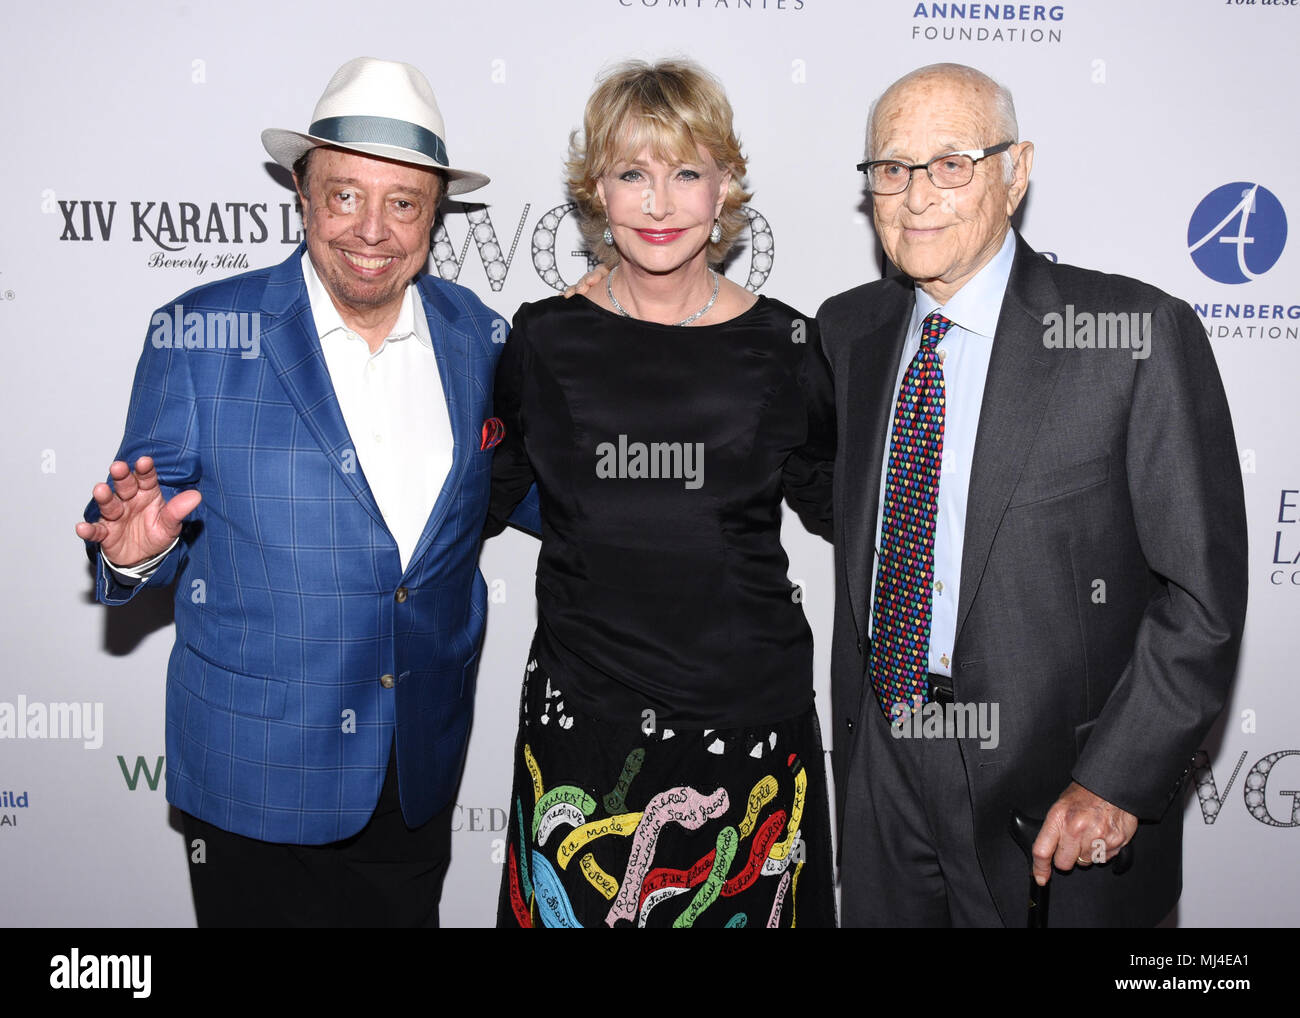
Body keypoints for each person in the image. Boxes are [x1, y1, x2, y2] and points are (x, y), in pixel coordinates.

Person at [76, 57, 531, 927]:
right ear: (301, 191)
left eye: (403, 202)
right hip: (256, 772)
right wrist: (141, 556)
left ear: (435, 212)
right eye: (345, 195)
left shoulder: (482, 338)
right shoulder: (202, 334)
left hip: (413, 771)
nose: (373, 230)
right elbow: (137, 522)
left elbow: (542, 492)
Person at [817, 62, 1248, 926]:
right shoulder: (847, 332)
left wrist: (1112, 781)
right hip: (883, 769)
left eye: (952, 163)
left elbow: (1201, 598)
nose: (915, 195)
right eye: (890, 169)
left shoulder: (1130, 336)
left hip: (1050, 792)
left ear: (1016, 172)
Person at [486, 59, 837, 928]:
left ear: (725, 191)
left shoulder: (789, 342)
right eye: (632, 174)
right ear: (596, 192)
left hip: (749, 725)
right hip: (588, 723)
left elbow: (842, 505)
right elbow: (484, 496)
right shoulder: (544, 339)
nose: (658, 203)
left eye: (686, 173)